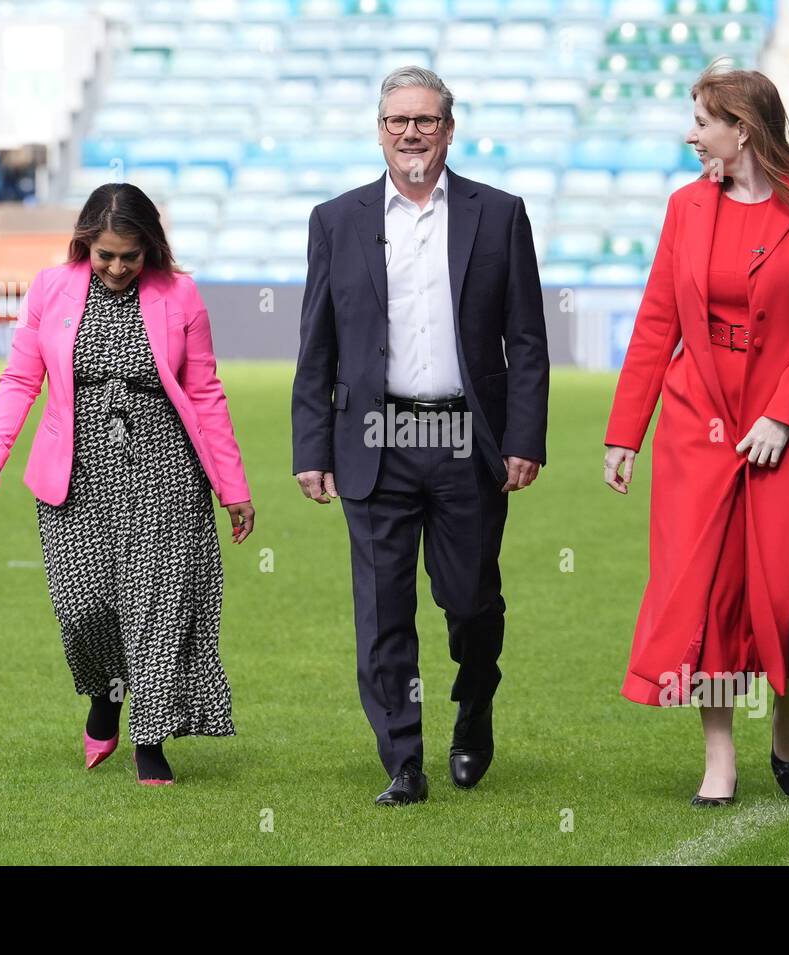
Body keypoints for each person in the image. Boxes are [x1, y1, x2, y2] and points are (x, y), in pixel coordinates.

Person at [603, 63, 789, 806]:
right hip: (699, 422)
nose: (691, 135)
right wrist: (624, 431)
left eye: (702, 122)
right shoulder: (685, 207)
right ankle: (719, 757)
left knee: (785, 584)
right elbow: (657, 320)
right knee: (704, 593)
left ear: (743, 129)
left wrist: (783, 413)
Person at [291, 66, 549, 806]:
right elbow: (318, 344)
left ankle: (474, 702)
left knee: (469, 600)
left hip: (469, 439)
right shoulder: (335, 220)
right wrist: (311, 446)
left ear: (449, 129)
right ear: (379, 129)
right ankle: (403, 756)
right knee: (382, 610)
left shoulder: (498, 215)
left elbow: (525, 339)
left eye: (425, 121)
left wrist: (523, 435)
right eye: (397, 120)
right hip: (372, 439)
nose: (411, 132)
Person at [0, 183, 255, 786]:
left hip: (164, 467)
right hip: (76, 472)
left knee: (155, 606)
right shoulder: (51, 289)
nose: (119, 268)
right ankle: (107, 695)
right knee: (85, 608)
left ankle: (150, 741)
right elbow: (21, 377)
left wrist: (233, 487)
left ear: (150, 248)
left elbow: (204, 392)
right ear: (84, 247)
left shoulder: (180, 294)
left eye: (131, 255)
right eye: (106, 256)